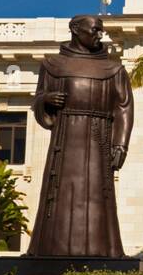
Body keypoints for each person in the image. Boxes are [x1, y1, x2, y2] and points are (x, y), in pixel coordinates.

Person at [27, 15, 134, 258]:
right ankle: (50, 249)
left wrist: (120, 144)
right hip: (65, 138)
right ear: (75, 30)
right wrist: (46, 100)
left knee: (98, 196)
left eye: (101, 31)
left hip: (99, 138)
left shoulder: (114, 69)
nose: (99, 35)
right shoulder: (52, 65)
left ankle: (103, 251)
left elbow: (124, 107)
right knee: (60, 196)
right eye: (95, 30)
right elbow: (38, 99)